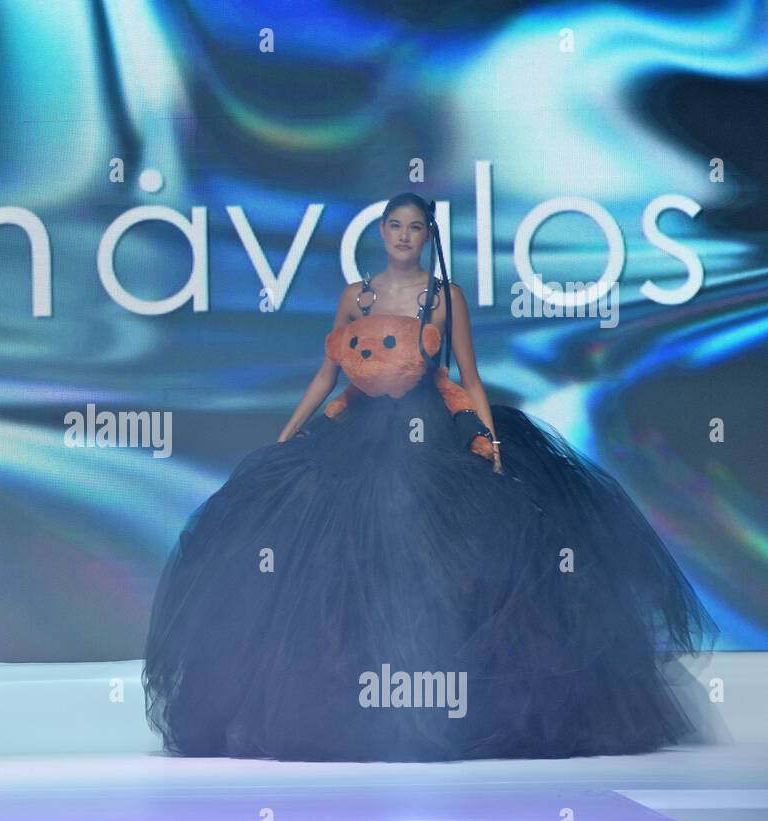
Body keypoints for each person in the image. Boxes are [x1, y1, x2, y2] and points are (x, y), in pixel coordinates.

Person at [141, 191, 718, 762]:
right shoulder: (356, 296)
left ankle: (454, 707)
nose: (403, 236)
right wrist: (289, 434)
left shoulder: (446, 298)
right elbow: (327, 378)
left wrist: (487, 438)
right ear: (383, 231)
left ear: (428, 237)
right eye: (394, 225)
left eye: (414, 228)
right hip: (357, 434)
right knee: (327, 559)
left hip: (435, 429)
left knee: (465, 550)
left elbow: (468, 374)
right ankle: (344, 702)